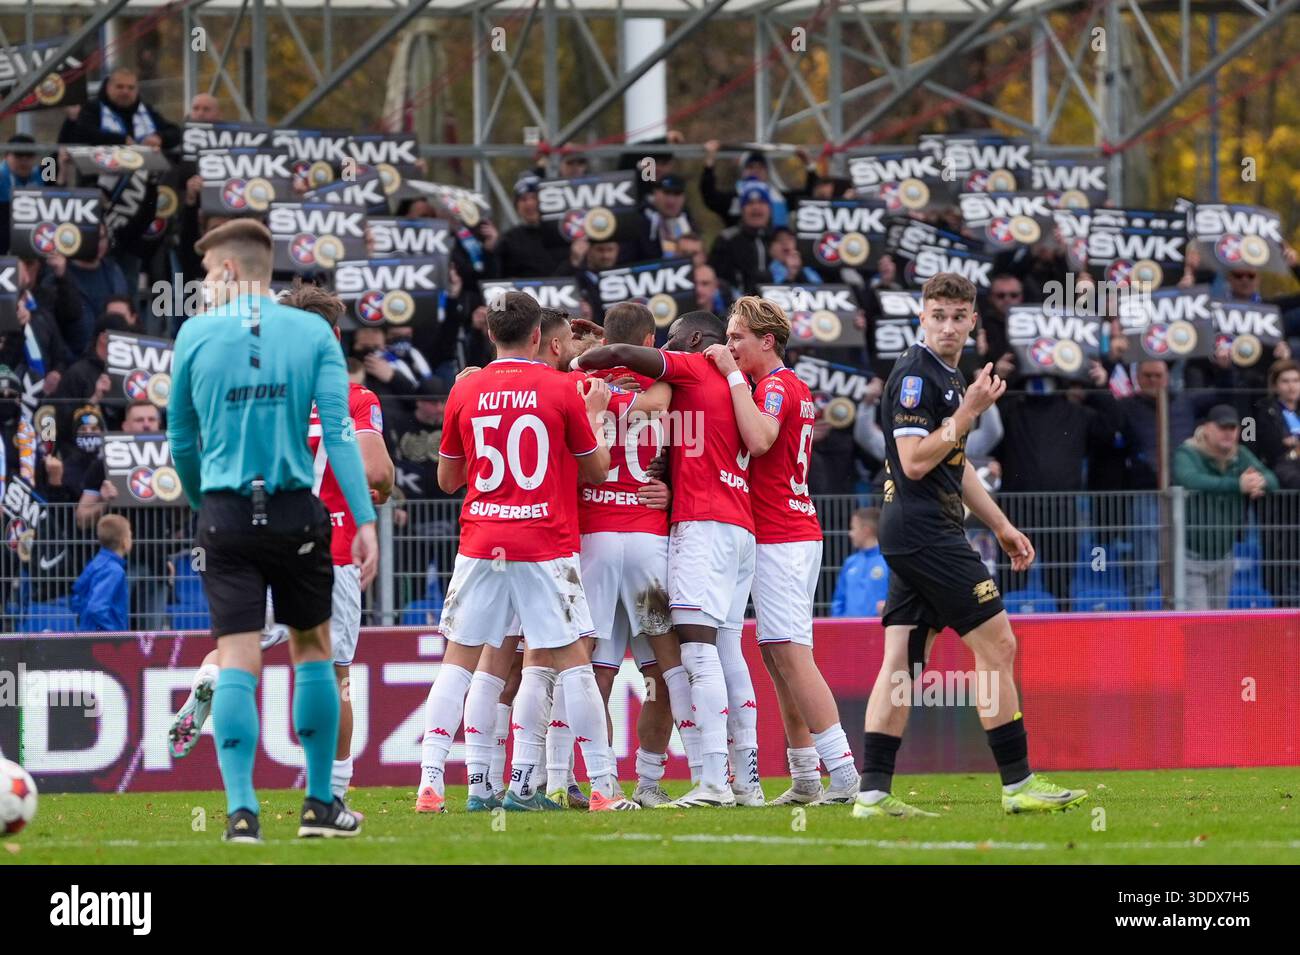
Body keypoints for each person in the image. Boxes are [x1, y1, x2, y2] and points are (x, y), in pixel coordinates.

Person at [167, 218, 379, 843]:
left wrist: (206, 501)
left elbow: (181, 441)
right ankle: (320, 806)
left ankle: (241, 814)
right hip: (297, 514)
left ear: (231, 270)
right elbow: (339, 434)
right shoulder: (313, 332)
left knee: (236, 657)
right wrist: (363, 520)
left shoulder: (195, 335)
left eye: (207, 274)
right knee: (314, 653)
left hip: (228, 513)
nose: (204, 286)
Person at [854, 271, 1088, 819]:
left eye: (959, 317)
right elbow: (914, 459)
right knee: (998, 645)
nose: (949, 327)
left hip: (914, 530)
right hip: (925, 532)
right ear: (921, 317)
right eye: (939, 316)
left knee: (903, 664)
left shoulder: (950, 376)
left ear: (974, 321)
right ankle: (1018, 784)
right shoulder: (917, 375)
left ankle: (872, 794)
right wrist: (967, 413)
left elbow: (952, 467)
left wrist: (1002, 525)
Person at [414, 291, 635, 814]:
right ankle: (602, 785)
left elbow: (447, 480)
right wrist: (597, 416)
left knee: (460, 661)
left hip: (482, 541)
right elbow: (597, 469)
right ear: (538, 336)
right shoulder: (561, 390)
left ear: (491, 335)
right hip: (544, 541)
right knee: (573, 662)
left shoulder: (466, 391)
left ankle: (430, 782)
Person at [576, 310, 758, 808]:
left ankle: (580, 781)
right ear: (652, 341)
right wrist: (670, 489)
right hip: (648, 543)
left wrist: (581, 356)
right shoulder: (670, 391)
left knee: (588, 668)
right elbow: (679, 432)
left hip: (592, 539)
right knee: (666, 665)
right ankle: (668, 779)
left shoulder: (577, 382)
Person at [704, 296, 860, 806]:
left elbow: (762, 438)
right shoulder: (787, 386)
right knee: (778, 657)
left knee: (791, 654)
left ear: (766, 340)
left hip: (783, 536)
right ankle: (805, 776)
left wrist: (729, 376)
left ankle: (844, 772)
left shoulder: (773, 387)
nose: (729, 347)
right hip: (782, 533)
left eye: (736, 338)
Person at [1172, 404, 1278, 610]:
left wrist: (1258, 483)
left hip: (1224, 556)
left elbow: (1272, 479)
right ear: (1207, 428)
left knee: (1217, 623)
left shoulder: (1241, 454)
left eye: (1232, 428)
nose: (1228, 433)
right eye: (1222, 428)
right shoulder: (1188, 451)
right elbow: (1190, 479)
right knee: (1198, 622)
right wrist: (1238, 485)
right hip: (1190, 556)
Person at [59, 67, 181, 149]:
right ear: (108, 87)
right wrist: (121, 141)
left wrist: (159, 138)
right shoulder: (92, 108)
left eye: (130, 88)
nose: (125, 92)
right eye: (120, 87)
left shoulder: (145, 110)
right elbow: (84, 134)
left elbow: (175, 131)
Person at [72, 513, 131, 632]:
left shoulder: (95, 563)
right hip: (105, 643)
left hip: (88, 634)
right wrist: (114, 633)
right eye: (130, 535)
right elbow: (96, 607)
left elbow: (77, 599)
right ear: (124, 542)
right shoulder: (114, 571)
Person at [831, 507, 890, 618]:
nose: (850, 534)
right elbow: (839, 601)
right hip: (849, 631)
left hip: (878, 631)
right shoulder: (850, 563)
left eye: (853, 528)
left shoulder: (888, 561)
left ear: (866, 530)